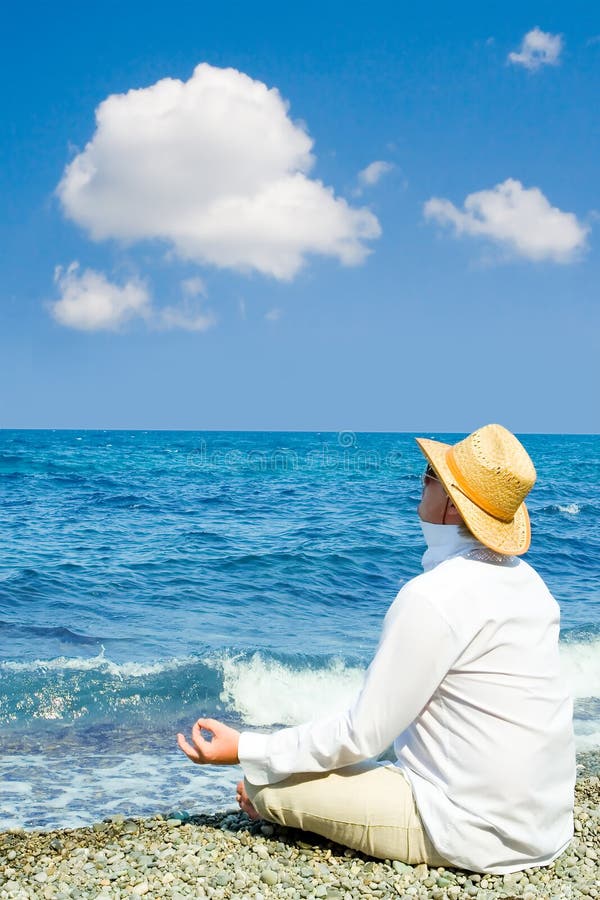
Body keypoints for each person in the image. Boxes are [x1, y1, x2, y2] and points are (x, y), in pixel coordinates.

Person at [177, 424, 576, 874]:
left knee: (264, 786)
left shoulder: (434, 596)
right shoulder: (531, 584)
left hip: (474, 833)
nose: (419, 483)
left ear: (448, 503)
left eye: (428, 475)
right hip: (547, 825)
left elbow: (361, 734)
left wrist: (245, 747)